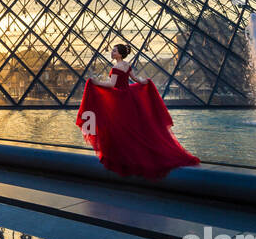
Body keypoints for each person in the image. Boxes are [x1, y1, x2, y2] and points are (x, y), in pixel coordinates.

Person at [74, 42, 199, 178]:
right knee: (133, 129)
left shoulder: (116, 67)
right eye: (112, 51)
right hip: (129, 98)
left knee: (118, 129)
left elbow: (111, 84)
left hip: (119, 100)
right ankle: (137, 156)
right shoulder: (127, 65)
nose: (112, 53)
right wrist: (145, 82)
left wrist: (95, 83)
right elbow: (135, 79)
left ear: (120, 54)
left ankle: (123, 158)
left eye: (114, 51)